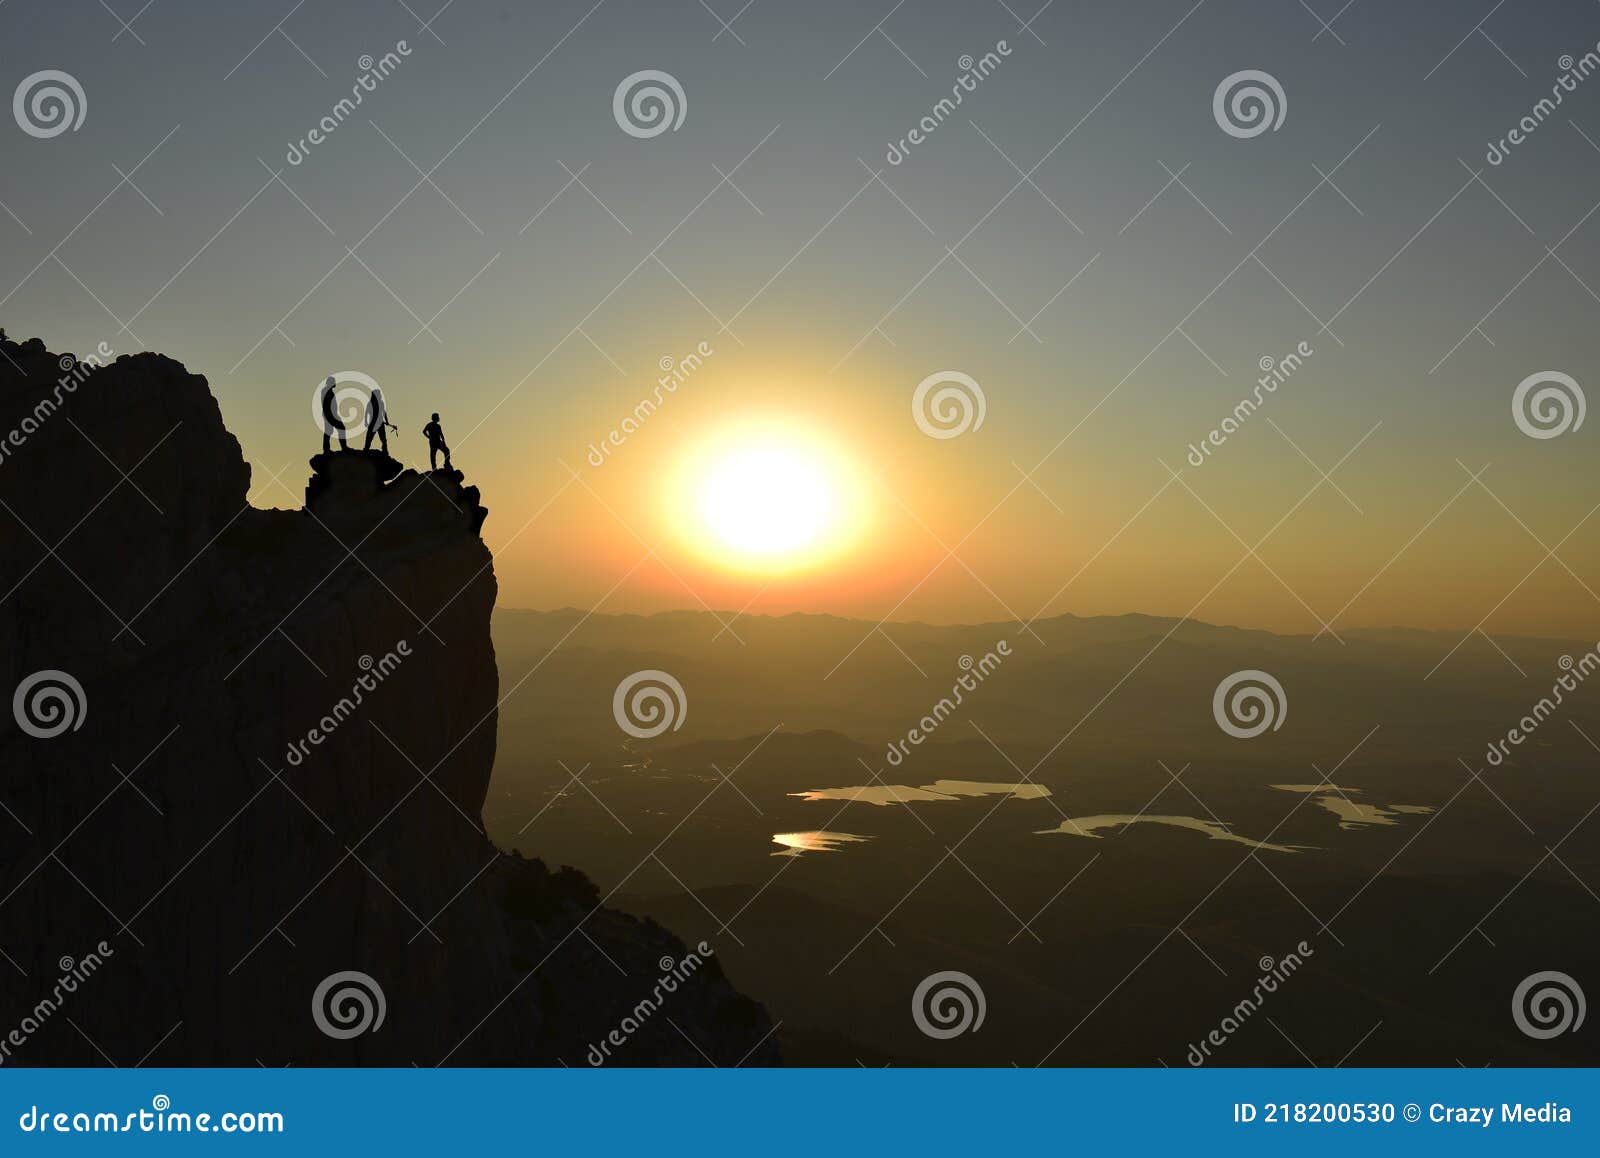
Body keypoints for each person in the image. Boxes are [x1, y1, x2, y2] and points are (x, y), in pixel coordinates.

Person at [364, 387, 395, 453]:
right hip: (377, 423)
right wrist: (387, 421)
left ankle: (367, 449)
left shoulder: (373, 403)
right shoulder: (376, 403)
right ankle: (384, 450)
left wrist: (386, 421)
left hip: (375, 423)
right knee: (380, 438)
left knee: (372, 437)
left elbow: (383, 412)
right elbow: (383, 413)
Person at [320, 376, 347, 453]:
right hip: (330, 414)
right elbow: (327, 404)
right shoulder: (326, 391)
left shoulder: (327, 391)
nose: (335, 383)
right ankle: (342, 447)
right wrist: (330, 414)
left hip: (331, 414)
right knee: (339, 428)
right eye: (333, 382)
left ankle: (327, 449)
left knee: (329, 431)